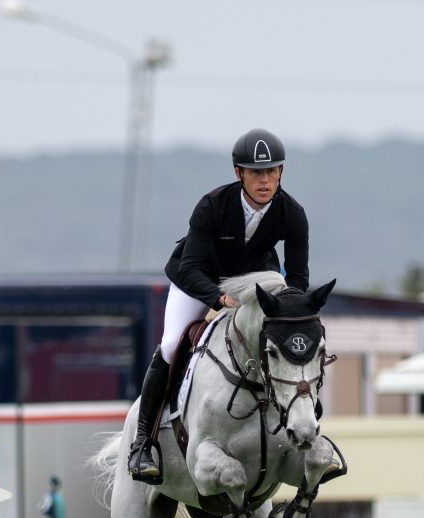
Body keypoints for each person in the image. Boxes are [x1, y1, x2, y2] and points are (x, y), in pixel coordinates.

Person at [126, 127, 311, 483]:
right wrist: (218, 299)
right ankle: (142, 444)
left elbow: (299, 279)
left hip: (253, 283)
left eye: (272, 171)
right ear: (238, 173)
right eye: (256, 172)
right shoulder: (213, 205)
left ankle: (297, 420)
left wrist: (288, 313)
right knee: (170, 345)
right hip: (198, 282)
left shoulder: (292, 213)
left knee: (283, 347)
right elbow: (189, 267)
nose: (265, 180)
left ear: (281, 173)